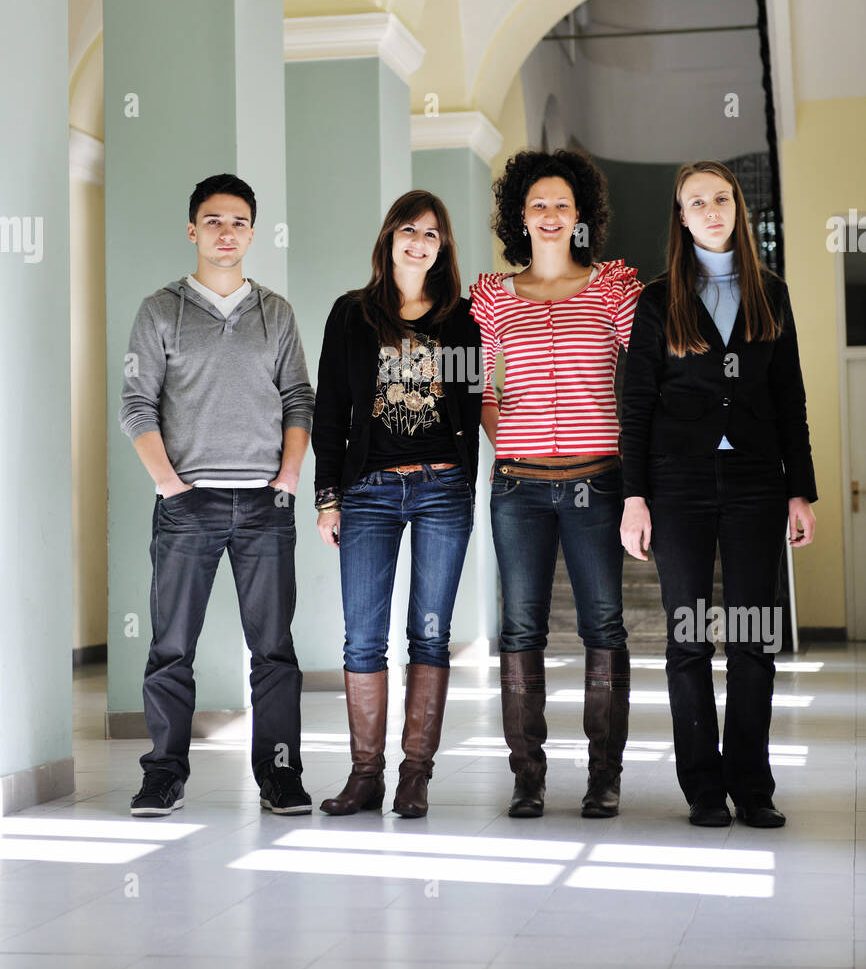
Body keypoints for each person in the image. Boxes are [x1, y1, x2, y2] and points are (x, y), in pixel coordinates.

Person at [620, 161, 817, 828]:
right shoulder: (657, 299)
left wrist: (802, 492)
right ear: (681, 216)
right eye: (696, 201)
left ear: (737, 208)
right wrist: (634, 496)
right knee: (689, 639)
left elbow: (790, 398)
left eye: (721, 198)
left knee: (754, 638)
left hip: (759, 484)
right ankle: (704, 785)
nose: (710, 209)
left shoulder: (772, 293)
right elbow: (636, 404)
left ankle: (752, 785)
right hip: (678, 485)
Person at [120, 174, 315, 817]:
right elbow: (136, 406)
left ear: (252, 233)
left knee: (275, 650)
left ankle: (280, 775)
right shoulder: (160, 310)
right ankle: (163, 775)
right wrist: (168, 483)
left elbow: (298, 400)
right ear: (193, 230)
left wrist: (288, 477)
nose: (225, 232)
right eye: (212, 220)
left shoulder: (276, 313)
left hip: (266, 505)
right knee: (172, 647)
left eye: (237, 222)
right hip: (187, 505)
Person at [470, 150, 642, 819]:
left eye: (562, 205)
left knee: (604, 627)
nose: (549, 215)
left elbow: (649, 375)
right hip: (518, 489)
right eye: (537, 204)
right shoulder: (491, 297)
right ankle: (528, 777)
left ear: (581, 217)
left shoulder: (612, 288)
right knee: (520, 630)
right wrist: (512, 441)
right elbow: (479, 389)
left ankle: (605, 776)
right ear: (520, 215)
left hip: (598, 483)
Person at [313, 191, 482, 818]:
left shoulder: (461, 322)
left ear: (442, 248)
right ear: (389, 238)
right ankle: (365, 776)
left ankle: (416, 775)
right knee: (362, 639)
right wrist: (328, 498)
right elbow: (329, 410)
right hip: (368, 494)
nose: (419, 241)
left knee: (430, 635)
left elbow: (470, 407)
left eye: (432, 234)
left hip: (442, 489)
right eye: (408, 230)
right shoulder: (351, 315)